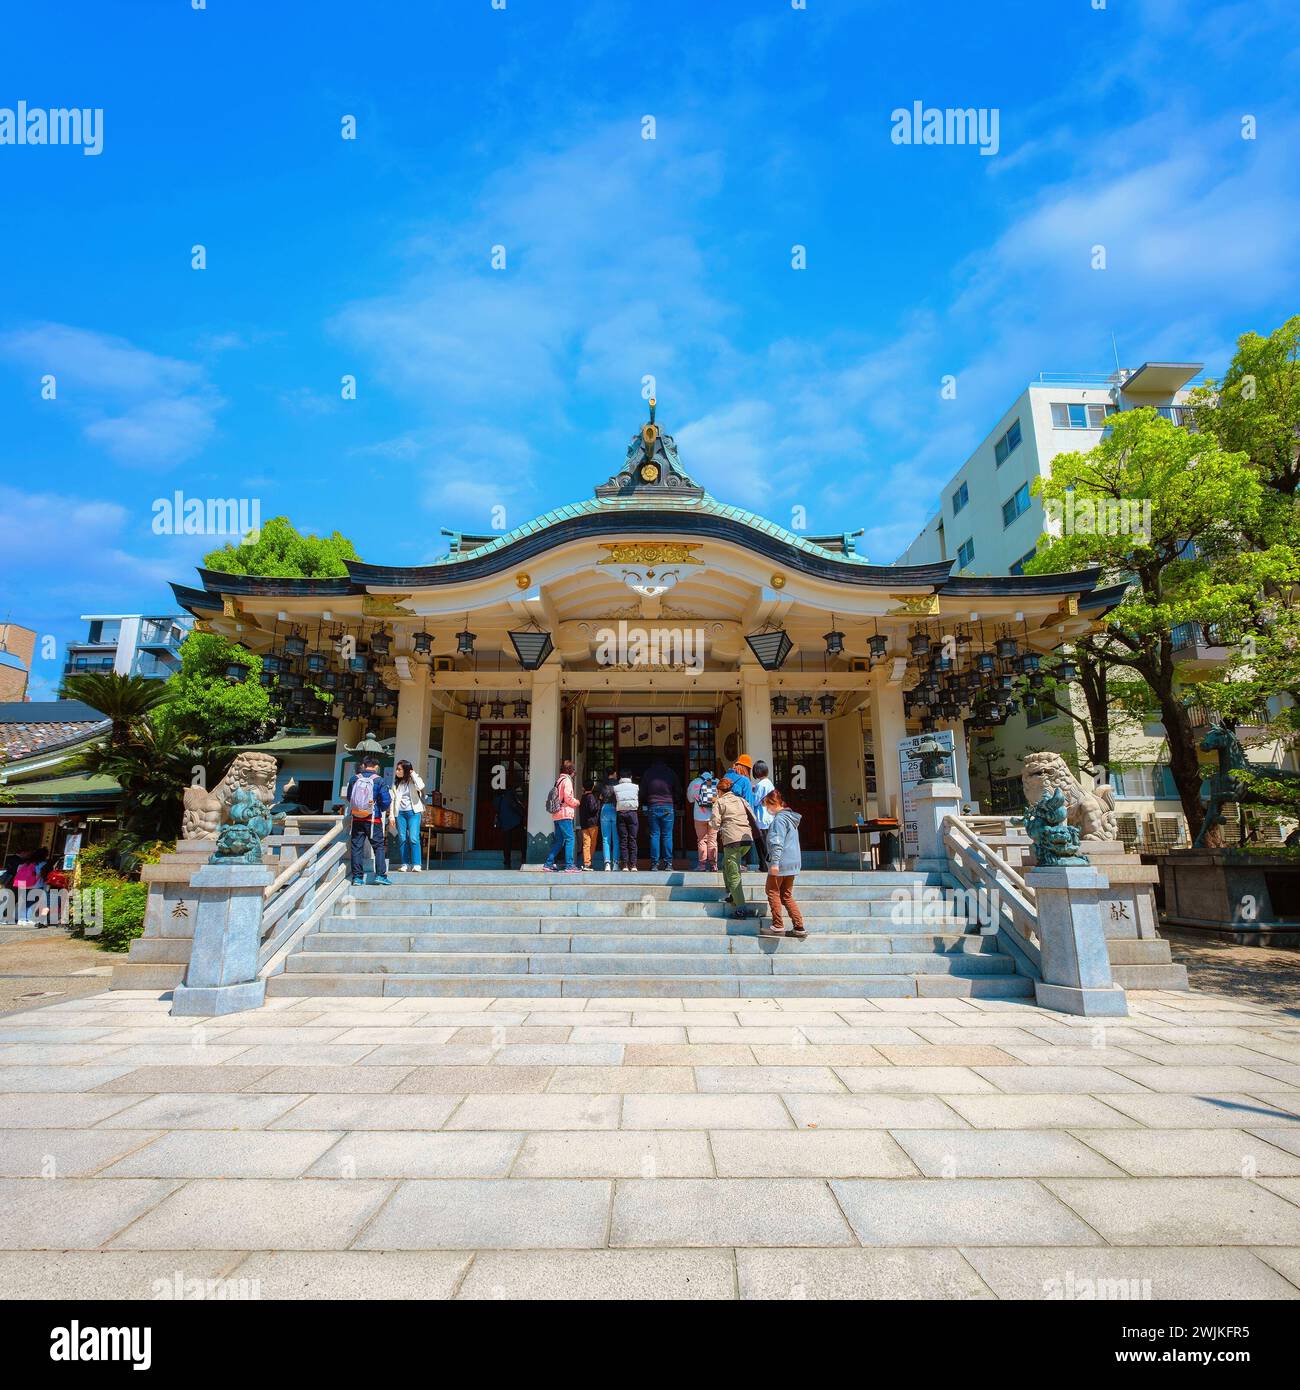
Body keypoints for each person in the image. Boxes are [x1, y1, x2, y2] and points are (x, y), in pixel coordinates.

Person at [760, 788, 806, 938]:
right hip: (793, 862)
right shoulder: (790, 818)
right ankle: (799, 926)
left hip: (780, 862)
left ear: (774, 804)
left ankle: (778, 925)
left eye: (767, 806)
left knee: (772, 891)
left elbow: (777, 842)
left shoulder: (779, 820)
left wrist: (774, 863)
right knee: (786, 895)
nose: (767, 809)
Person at [710, 776, 756, 918]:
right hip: (747, 840)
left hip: (732, 841)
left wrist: (716, 827)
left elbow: (714, 823)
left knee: (734, 873)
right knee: (726, 864)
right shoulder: (741, 800)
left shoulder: (720, 802)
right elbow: (752, 816)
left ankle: (741, 908)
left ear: (719, 790)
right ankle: (732, 894)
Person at [346, 756, 392, 886]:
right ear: (376, 767)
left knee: (356, 847)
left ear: (363, 765)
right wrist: (379, 809)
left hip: (357, 818)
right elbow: (386, 801)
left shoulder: (354, 778)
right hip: (373, 819)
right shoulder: (379, 780)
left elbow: (350, 797)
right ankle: (380, 876)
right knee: (378, 847)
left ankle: (357, 878)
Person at [641, 757, 680, 870]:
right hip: (668, 805)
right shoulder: (670, 772)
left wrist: (645, 801)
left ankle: (654, 864)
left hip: (653, 805)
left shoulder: (648, 773)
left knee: (654, 835)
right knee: (667, 835)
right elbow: (678, 789)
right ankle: (668, 863)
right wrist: (675, 800)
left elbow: (643, 791)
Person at [387, 759, 426, 873]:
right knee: (402, 838)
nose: (396, 771)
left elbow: (421, 786)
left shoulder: (413, 781)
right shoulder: (396, 783)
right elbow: (392, 800)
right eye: (397, 769)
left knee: (414, 838)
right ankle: (405, 863)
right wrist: (392, 817)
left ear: (406, 770)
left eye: (399, 769)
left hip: (414, 812)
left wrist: (413, 774)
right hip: (400, 814)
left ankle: (416, 864)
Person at [543, 759, 580, 872]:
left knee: (559, 840)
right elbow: (568, 798)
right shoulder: (567, 781)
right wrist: (577, 802)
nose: (574, 774)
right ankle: (569, 865)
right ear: (570, 771)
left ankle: (548, 864)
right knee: (570, 839)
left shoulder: (558, 780)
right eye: (573, 771)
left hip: (557, 814)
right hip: (565, 814)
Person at [686, 768, 720, 871]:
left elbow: (690, 799)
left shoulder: (695, 782)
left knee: (702, 840)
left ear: (699, 773)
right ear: (710, 773)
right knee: (713, 840)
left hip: (699, 816)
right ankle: (714, 865)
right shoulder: (717, 782)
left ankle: (702, 865)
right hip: (713, 816)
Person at [492, 781, 526, 869]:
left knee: (507, 843)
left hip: (504, 823)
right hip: (515, 821)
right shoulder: (510, 794)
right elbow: (514, 806)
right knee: (522, 839)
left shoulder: (497, 797)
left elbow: (496, 808)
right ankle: (523, 858)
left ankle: (507, 860)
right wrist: (522, 814)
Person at [612, 771, 641, 871]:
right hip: (632, 813)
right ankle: (633, 865)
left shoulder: (616, 787)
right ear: (631, 776)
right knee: (633, 839)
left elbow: (614, 800)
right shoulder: (636, 787)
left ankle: (624, 865)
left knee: (623, 839)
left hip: (621, 813)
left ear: (620, 777)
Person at [577, 776, 601, 872]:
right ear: (592, 787)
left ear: (583, 788)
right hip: (592, 824)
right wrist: (599, 801)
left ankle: (587, 863)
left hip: (584, 824)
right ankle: (589, 862)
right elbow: (593, 809)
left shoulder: (582, 797)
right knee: (593, 844)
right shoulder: (591, 797)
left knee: (586, 844)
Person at [598, 769, 619, 871]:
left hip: (605, 809)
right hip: (615, 809)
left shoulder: (603, 784)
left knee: (605, 838)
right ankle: (615, 863)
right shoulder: (618, 784)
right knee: (616, 838)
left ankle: (607, 863)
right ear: (614, 773)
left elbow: (601, 797)